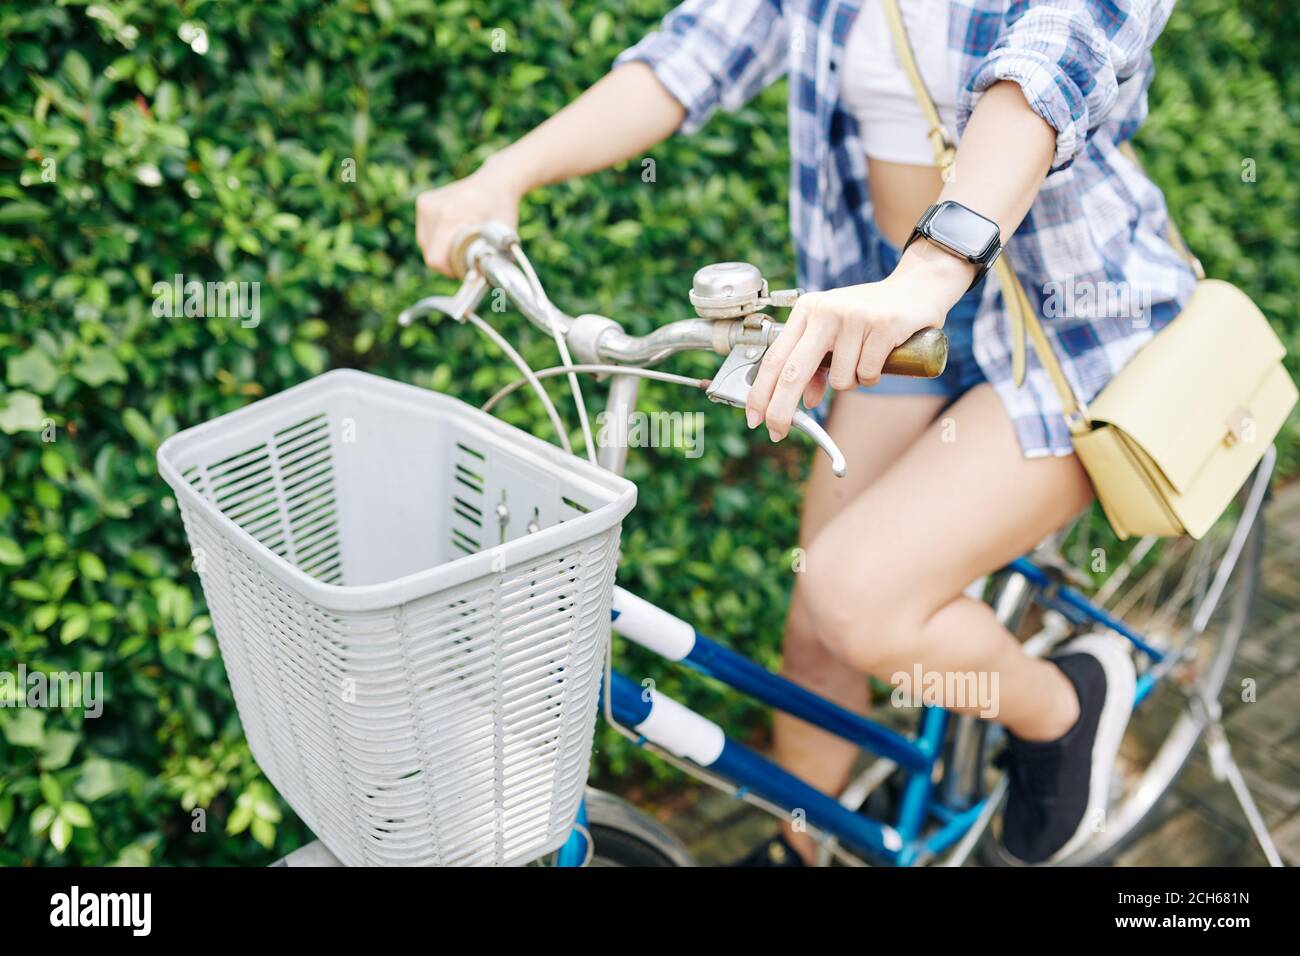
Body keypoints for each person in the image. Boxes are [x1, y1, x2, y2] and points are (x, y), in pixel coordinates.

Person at [415, 0, 1194, 865]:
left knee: (857, 601)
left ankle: (1064, 707)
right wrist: (503, 176)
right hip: (898, 335)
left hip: (1064, 335)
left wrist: (933, 268)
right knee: (815, 634)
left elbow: (1055, 56)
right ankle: (807, 847)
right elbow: (695, 53)